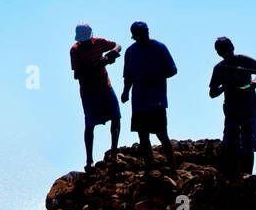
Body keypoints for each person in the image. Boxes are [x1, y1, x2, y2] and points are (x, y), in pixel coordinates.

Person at [209, 37, 256, 175]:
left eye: (227, 50)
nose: (225, 53)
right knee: (231, 143)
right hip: (231, 109)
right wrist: (224, 87)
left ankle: (247, 176)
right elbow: (212, 93)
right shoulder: (219, 68)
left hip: (248, 107)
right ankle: (233, 176)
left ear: (232, 47)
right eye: (222, 51)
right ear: (218, 53)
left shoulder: (243, 60)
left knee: (248, 144)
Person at [121, 22, 178, 172]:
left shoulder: (159, 48)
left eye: (143, 34)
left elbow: (172, 70)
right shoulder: (130, 52)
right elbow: (128, 76)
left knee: (162, 134)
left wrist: (155, 75)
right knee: (143, 137)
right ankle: (149, 169)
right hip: (139, 101)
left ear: (147, 33)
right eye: (138, 36)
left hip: (157, 100)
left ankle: (173, 169)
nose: (141, 38)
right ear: (134, 37)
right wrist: (125, 91)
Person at [69, 23, 122, 169]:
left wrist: (110, 54)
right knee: (90, 125)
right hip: (89, 91)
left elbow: (117, 45)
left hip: (105, 86)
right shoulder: (75, 50)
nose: (85, 43)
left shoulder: (98, 42)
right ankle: (89, 160)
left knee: (116, 117)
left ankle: (114, 152)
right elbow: (77, 74)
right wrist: (96, 65)